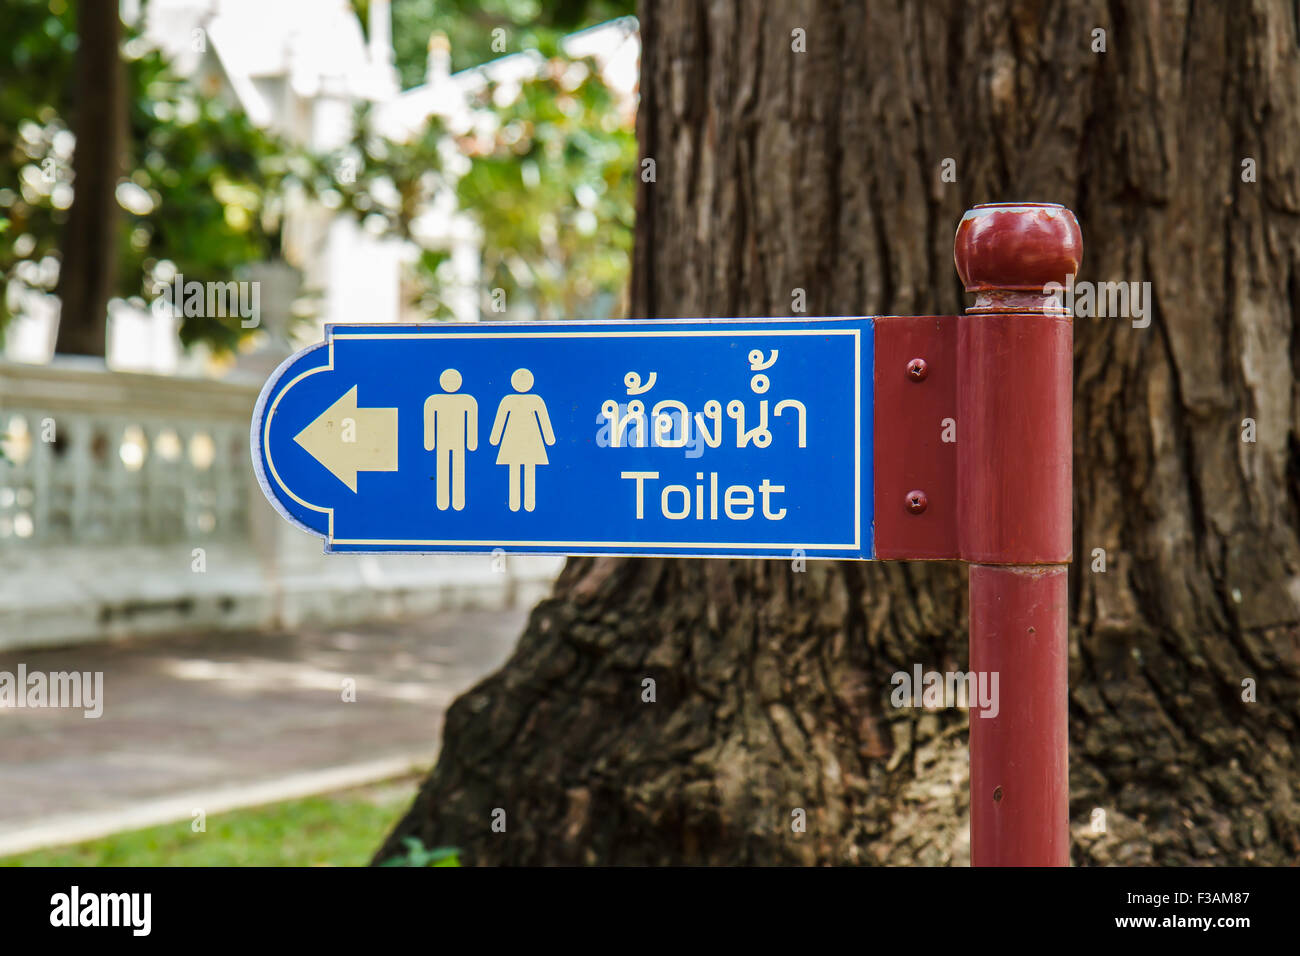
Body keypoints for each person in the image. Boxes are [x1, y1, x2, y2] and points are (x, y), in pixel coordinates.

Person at [489, 368, 555, 512]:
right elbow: (500, 420)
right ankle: (516, 503)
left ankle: (526, 504)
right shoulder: (511, 400)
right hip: (518, 442)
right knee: (518, 470)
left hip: (526, 442)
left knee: (526, 470)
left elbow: (544, 420)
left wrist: (495, 439)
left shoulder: (534, 400)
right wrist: (549, 439)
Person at [423, 368, 477, 511]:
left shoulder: (467, 400)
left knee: (458, 469)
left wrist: (472, 442)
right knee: (443, 469)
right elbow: (429, 422)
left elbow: (471, 421)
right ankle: (443, 501)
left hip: (458, 442)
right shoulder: (433, 401)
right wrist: (429, 442)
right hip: (443, 442)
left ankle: (458, 501)